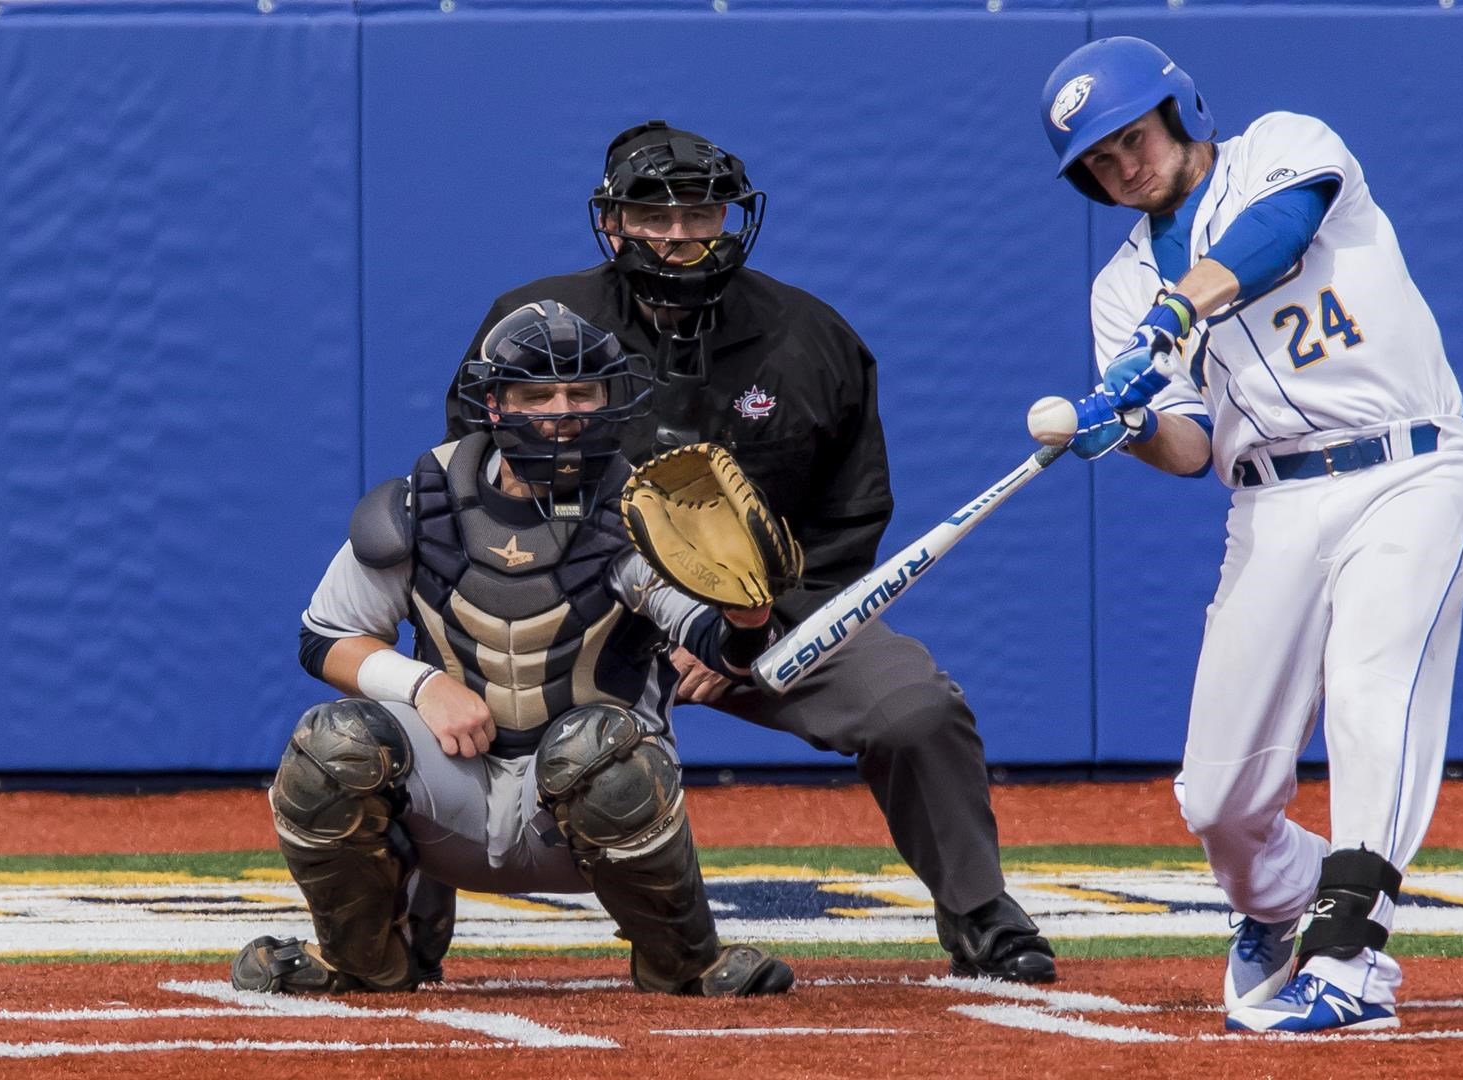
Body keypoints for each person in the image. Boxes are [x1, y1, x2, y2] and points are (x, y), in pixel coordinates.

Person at [441, 121, 1056, 984]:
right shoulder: (534, 325)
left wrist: (746, 630)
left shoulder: (812, 338)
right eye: (653, 216)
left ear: (731, 217)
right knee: (437, 711)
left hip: (762, 616)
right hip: (574, 616)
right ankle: (395, 935)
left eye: (700, 213)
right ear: (611, 222)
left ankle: (980, 908)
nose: (680, 234)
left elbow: (850, 523)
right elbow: (478, 492)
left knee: (914, 708)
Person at [1038, 38, 1463, 1032]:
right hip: (1270, 504)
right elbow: (1192, 446)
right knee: (1219, 801)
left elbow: (1277, 235)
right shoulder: (1118, 289)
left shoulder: (1282, 146)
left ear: (1179, 111)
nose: (1124, 166)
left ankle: (1351, 962)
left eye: (1132, 137)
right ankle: (1285, 898)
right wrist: (1131, 427)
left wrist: (1173, 315)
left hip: (1406, 470)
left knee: (1372, 691)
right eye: (1099, 161)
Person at [231, 301, 794, 999]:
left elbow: (724, 649)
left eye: (582, 393)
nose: (565, 414)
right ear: (495, 404)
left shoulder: (641, 514)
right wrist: (423, 687)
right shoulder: (425, 503)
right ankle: (368, 960)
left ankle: (683, 961)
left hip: (586, 814)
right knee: (330, 745)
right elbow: (325, 636)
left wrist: (749, 614)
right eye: (539, 395)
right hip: (452, 794)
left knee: (600, 752)